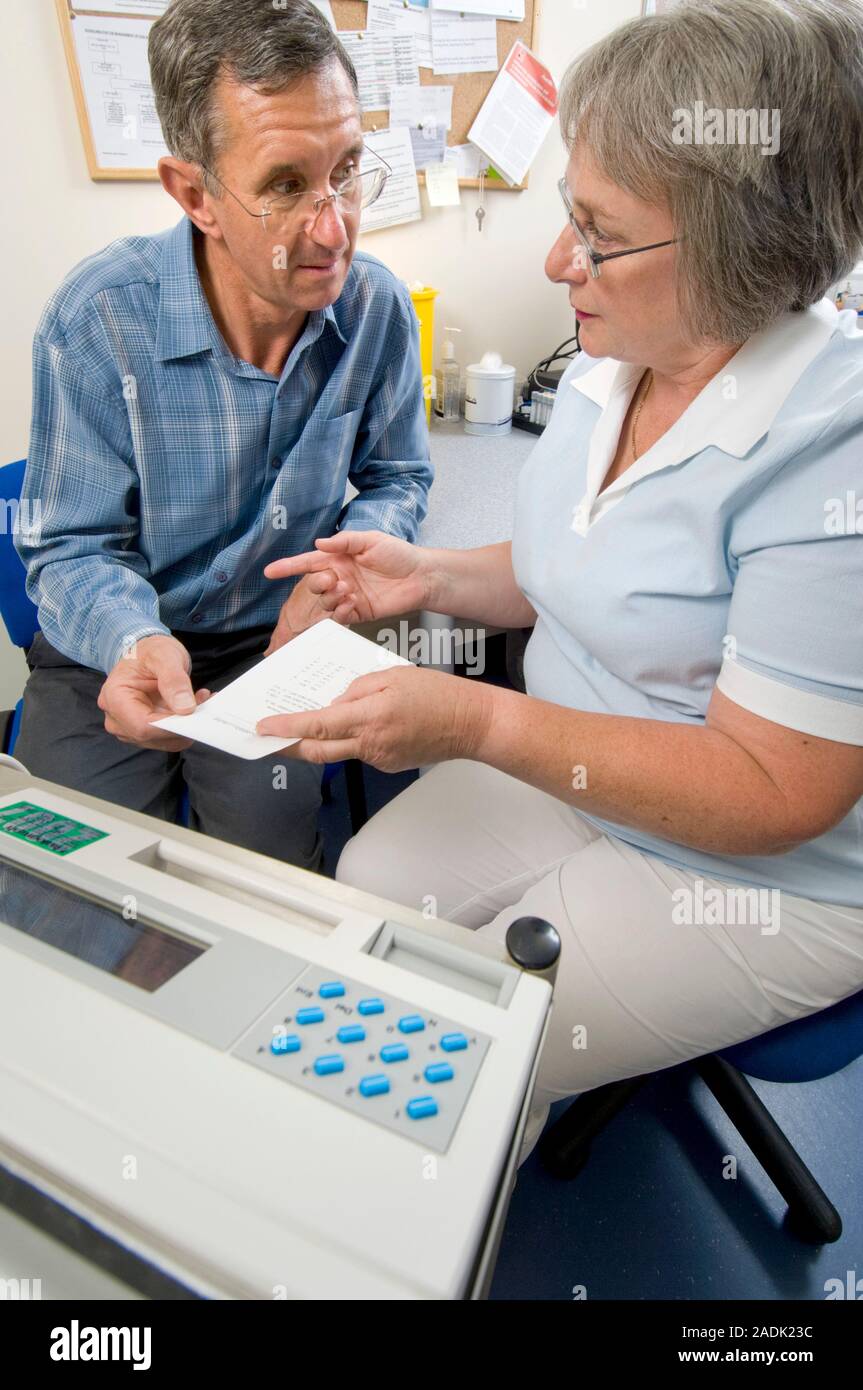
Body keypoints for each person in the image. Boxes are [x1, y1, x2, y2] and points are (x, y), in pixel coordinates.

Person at [252, 0, 863, 1157]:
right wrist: (421, 575)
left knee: (456, 1047)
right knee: (368, 880)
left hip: (760, 864)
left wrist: (474, 716)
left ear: (741, 254)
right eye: (563, 216)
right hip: (577, 764)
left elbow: (771, 790)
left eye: (597, 233)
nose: (554, 262)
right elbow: (569, 572)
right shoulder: (610, 355)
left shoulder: (834, 450)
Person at [14, 0, 431, 873]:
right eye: (286, 185)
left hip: (273, 648)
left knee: (265, 880)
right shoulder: (97, 321)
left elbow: (397, 477)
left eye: (347, 170)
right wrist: (134, 641)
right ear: (194, 193)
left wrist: (348, 564)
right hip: (111, 651)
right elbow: (68, 549)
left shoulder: (379, 309)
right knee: (73, 883)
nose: (335, 227)